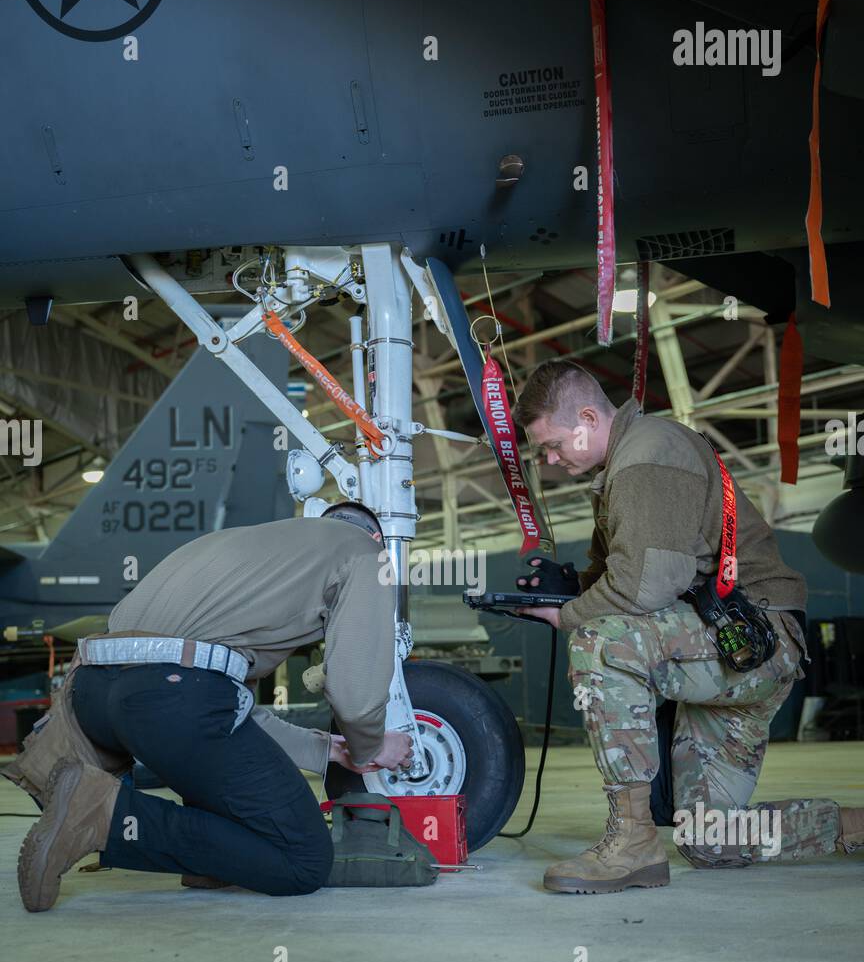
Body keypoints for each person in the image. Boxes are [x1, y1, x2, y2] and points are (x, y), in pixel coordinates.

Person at [511, 360, 864, 893]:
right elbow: (620, 576)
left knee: (602, 642)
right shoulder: (627, 462)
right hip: (720, 645)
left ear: (588, 415)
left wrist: (569, 616)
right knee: (710, 839)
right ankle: (855, 827)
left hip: (757, 639)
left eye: (554, 444)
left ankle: (632, 841)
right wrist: (567, 589)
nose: (551, 460)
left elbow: (645, 587)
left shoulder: (648, 454)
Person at [14, 503, 412, 911]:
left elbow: (231, 709)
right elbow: (354, 690)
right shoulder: (364, 552)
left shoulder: (241, 545)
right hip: (170, 696)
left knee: (211, 738)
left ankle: (216, 859)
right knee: (305, 860)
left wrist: (329, 748)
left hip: (93, 694)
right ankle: (102, 815)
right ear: (377, 537)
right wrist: (370, 746)